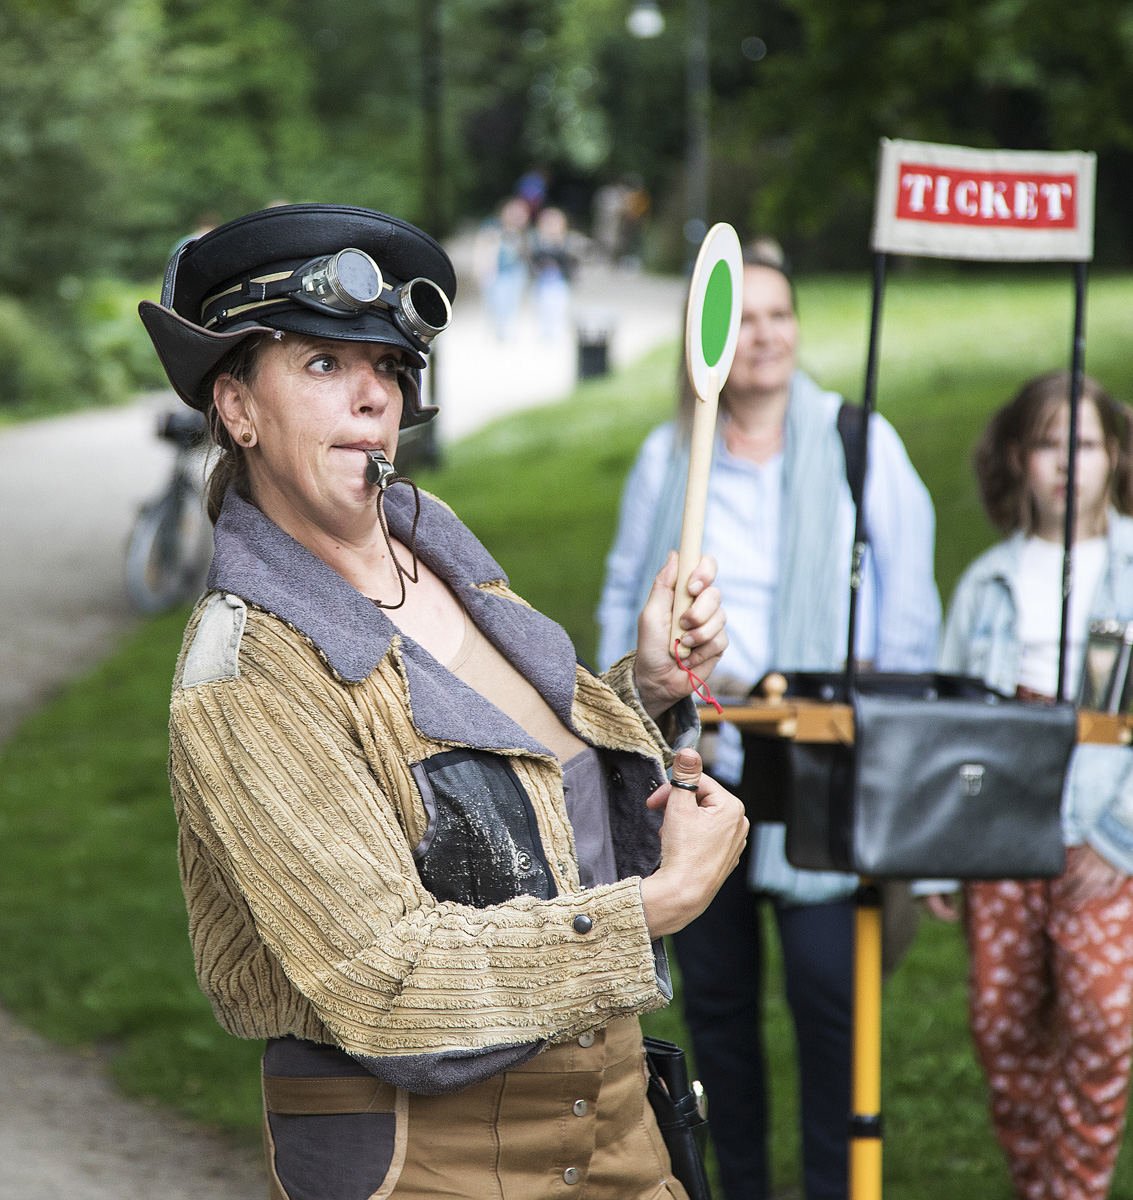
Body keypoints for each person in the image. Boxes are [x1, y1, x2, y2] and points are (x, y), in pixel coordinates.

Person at [136, 204, 752, 1199]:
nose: (370, 396)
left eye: (385, 366)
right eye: (322, 366)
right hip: (425, 1161)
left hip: (619, 1129)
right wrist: (657, 907)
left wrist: (650, 690)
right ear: (237, 408)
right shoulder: (249, 670)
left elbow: (538, 798)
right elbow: (386, 978)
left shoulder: (436, 549)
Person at [597, 243, 940, 1200]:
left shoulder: (858, 441)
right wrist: (642, 716)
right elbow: (627, 594)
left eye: (779, 316)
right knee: (717, 1015)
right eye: (744, 318)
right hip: (702, 764)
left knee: (834, 1002)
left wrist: (878, 723)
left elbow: (910, 613)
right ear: (711, 336)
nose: (764, 335)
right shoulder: (671, 456)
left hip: (828, 769)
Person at [927, 371, 1133, 1200]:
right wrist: (946, 852)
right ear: (1017, 457)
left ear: (1115, 457)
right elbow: (952, 731)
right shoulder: (987, 583)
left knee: (1095, 1023)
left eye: (1083, 444)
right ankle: (1035, 1182)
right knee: (1003, 1029)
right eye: (1049, 443)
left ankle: (1075, 1187)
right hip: (999, 838)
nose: (1066, 463)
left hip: (1099, 832)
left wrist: (1124, 831)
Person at [472, 196, 532, 341]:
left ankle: (506, 330)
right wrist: (479, 266)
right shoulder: (492, 226)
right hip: (495, 270)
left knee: (511, 301)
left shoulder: (523, 232)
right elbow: (482, 247)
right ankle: (498, 329)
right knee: (495, 300)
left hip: (515, 271)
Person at [530, 206, 579, 341]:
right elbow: (531, 259)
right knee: (543, 307)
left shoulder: (568, 240)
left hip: (560, 281)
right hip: (542, 281)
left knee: (559, 307)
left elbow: (572, 261)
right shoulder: (536, 240)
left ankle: (557, 333)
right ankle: (545, 333)